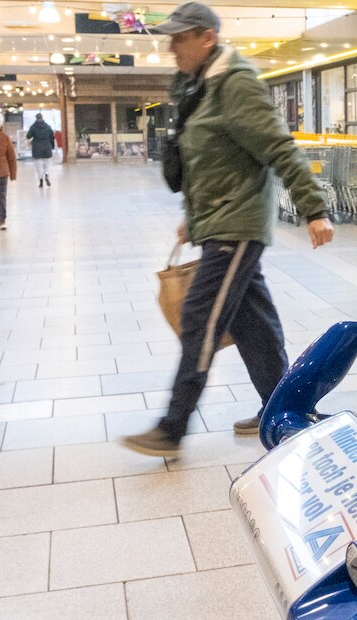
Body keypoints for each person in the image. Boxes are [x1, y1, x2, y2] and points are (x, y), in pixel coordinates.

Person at [121, 2, 334, 457]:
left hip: (236, 224)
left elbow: (279, 147)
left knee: (200, 319)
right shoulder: (202, 86)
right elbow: (211, 161)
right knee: (254, 323)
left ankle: (172, 428)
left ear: (208, 38)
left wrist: (313, 208)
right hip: (219, 219)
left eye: (180, 38)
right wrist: (194, 218)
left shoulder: (235, 85)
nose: (172, 48)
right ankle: (282, 407)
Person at [25, 113, 55, 188]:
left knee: (39, 167)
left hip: (37, 148)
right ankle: (46, 174)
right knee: (47, 165)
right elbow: (52, 137)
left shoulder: (33, 127)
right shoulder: (48, 127)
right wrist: (52, 147)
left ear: (36, 118)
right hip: (47, 148)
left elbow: (28, 136)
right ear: (42, 118)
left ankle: (41, 182)